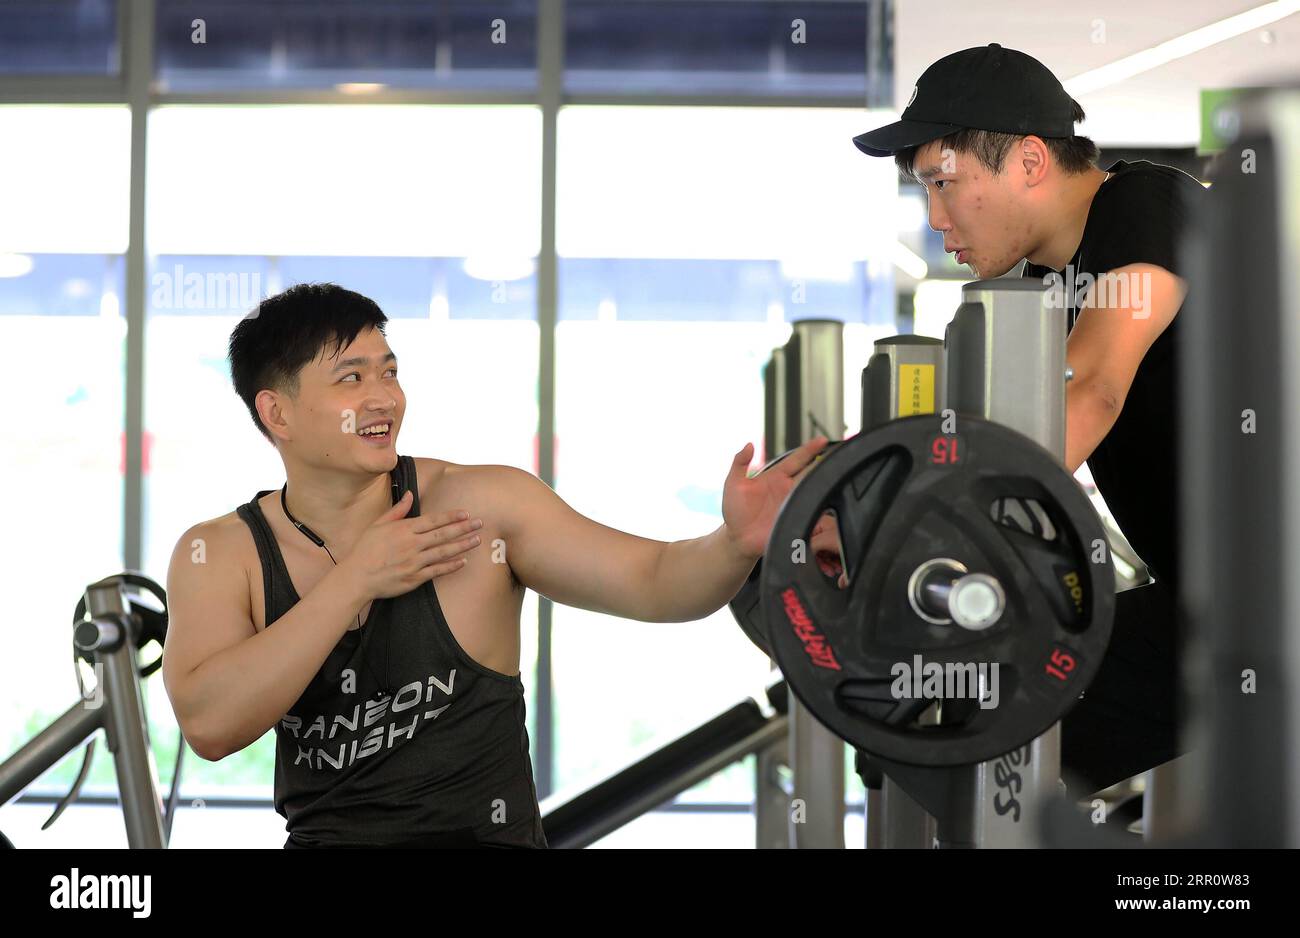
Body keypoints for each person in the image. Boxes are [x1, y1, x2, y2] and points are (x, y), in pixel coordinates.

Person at [161, 283, 827, 848]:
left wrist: (734, 542)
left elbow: (655, 582)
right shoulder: (221, 554)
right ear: (276, 412)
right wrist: (354, 581)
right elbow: (211, 728)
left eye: (389, 371)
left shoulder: (483, 507)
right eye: (351, 378)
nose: (383, 398)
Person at [847, 43, 1206, 797]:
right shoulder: (1046, 282)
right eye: (925, 191)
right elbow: (1001, 435)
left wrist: (927, 522)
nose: (937, 219)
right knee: (947, 727)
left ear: (1031, 162)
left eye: (945, 183)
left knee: (988, 729)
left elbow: (1094, 386)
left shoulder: (1143, 206)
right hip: (1208, 602)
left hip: (1265, 600)